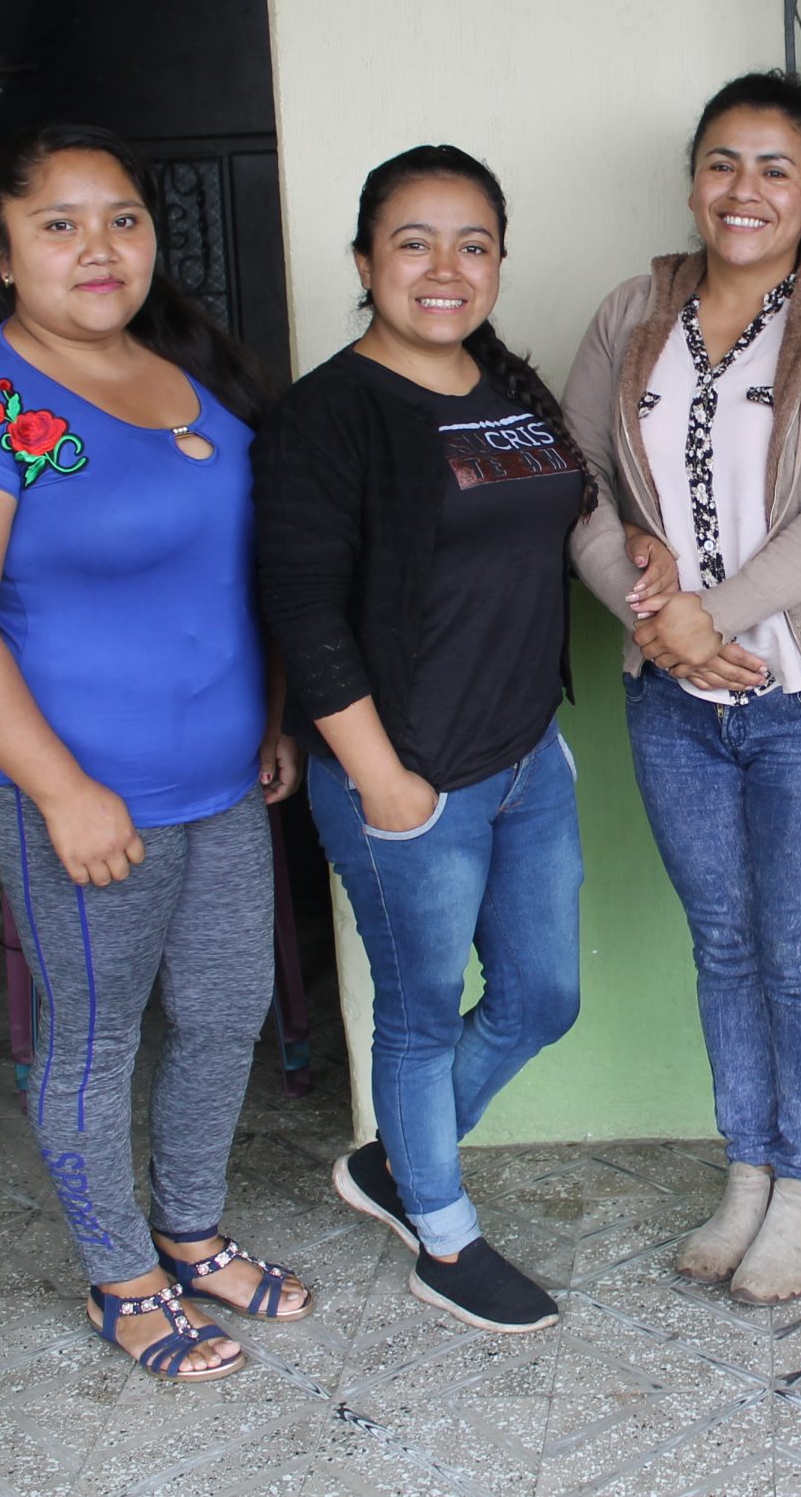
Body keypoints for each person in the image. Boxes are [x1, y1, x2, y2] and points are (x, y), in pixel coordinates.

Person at [0, 123, 309, 1383]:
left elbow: (239, 570)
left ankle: (186, 1230)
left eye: (121, 219)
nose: (97, 247)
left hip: (224, 778)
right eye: (60, 224)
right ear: (4, 252)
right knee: (95, 1033)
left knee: (227, 1010)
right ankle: (118, 1274)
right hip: (79, 798)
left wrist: (275, 717)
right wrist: (62, 790)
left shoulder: (185, 373)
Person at [563, 72, 801, 1305]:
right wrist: (655, 623)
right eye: (722, 162)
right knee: (722, 945)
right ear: (694, 180)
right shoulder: (632, 312)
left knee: (798, 950)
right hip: (672, 698)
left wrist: (723, 610)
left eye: (773, 169)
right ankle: (747, 1171)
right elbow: (577, 481)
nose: (742, 190)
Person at [254, 146, 589, 1335]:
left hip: (526, 756)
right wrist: (381, 777)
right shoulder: (325, 416)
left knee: (544, 996)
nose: (445, 269)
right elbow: (300, 604)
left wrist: (638, 556)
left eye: (474, 244)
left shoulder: (505, 380)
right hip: (407, 778)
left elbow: (563, 511)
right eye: (413, 242)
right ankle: (441, 1236)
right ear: (363, 262)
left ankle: (397, 1157)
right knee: (417, 1004)